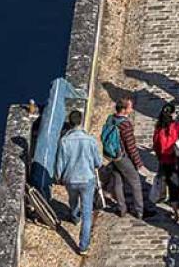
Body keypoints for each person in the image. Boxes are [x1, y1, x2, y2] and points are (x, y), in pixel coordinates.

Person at [55, 109, 103, 256]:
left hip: (71, 179)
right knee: (87, 213)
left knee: (73, 200)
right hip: (87, 179)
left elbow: (60, 164)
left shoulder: (64, 141)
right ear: (81, 121)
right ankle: (83, 246)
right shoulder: (91, 140)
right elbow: (98, 162)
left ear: (70, 123)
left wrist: (58, 177)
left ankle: (75, 217)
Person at [102, 95, 154, 220]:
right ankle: (139, 211)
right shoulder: (126, 125)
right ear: (124, 109)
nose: (132, 109)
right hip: (122, 157)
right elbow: (131, 147)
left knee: (118, 181)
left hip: (113, 156)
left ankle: (121, 208)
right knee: (135, 182)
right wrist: (138, 164)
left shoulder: (111, 119)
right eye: (130, 107)